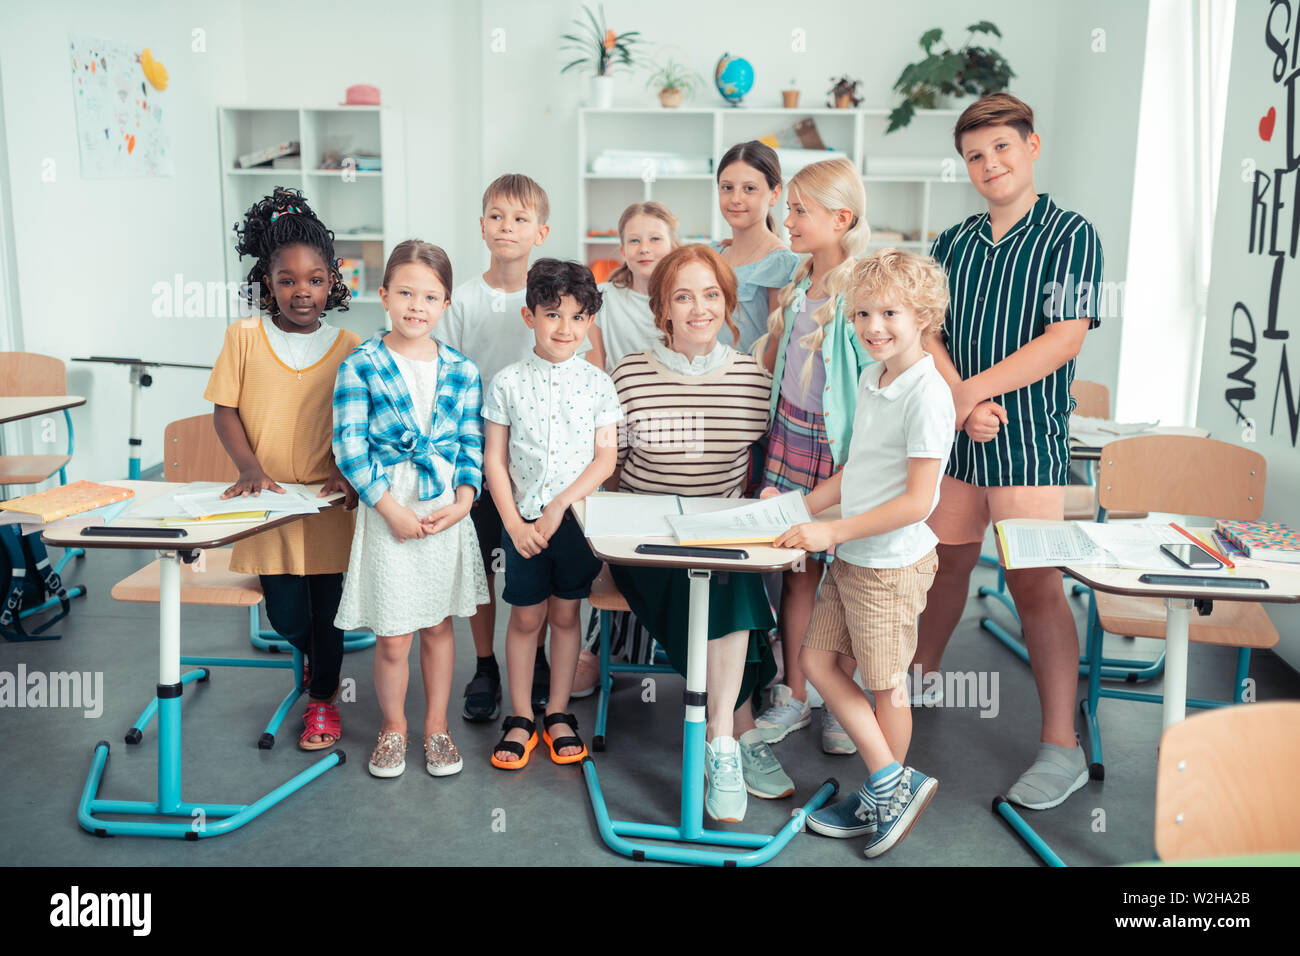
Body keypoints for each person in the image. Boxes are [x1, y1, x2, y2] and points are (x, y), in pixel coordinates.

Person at [913, 93, 1103, 810]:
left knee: (1033, 582)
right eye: (974, 155)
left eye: (1001, 148)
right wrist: (962, 399)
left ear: (1032, 147)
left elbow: (1065, 338)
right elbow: (925, 330)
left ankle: (1063, 747)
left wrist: (975, 394)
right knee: (943, 562)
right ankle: (918, 677)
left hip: (1028, 436)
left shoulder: (1071, 235)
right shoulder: (954, 242)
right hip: (960, 436)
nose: (989, 164)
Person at [777, 249, 954, 859]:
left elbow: (917, 502)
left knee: (887, 689)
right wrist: (804, 507)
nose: (873, 326)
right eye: (861, 315)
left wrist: (833, 532)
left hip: (891, 565)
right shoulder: (871, 378)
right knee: (818, 664)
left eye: (889, 313)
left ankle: (886, 791)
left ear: (923, 314)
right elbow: (859, 470)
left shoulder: (929, 396)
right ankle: (888, 782)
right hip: (854, 555)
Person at [609, 244, 790, 822]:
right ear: (662, 307)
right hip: (644, 543)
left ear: (727, 303)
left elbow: (767, 468)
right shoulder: (629, 375)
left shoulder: (753, 380)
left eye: (711, 294)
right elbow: (607, 470)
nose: (698, 308)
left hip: (721, 536)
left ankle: (719, 742)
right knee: (718, 585)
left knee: (729, 577)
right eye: (682, 296)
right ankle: (736, 731)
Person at [206, 186, 360, 750]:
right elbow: (225, 412)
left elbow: (360, 425)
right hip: (269, 505)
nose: (303, 292)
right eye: (288, 279)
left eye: (315, 279)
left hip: (328, 507)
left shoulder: (350, 346)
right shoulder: (243, 339)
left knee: (331, 614)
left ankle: (322, 700)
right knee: (288, 615)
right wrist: (247, 467)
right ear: (266, 283)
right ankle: (313, 661)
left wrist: (348, 472)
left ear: (332, 282)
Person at [333, 240, 488, 779]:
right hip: (388, 506)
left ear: (445, 304)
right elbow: (349, 446)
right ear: (383, 296)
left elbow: (472, 445)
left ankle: (437, 728)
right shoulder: (361, 365)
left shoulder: (463, 371)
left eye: (430, 296)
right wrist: (388, 509)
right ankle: (393, 727)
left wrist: (465, 501)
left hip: (444, 507)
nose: (416, 306)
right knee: (395, 633)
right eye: (405, 293)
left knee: (440, 625)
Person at [435, 174, 587, 722]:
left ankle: (540, 659)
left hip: (543, 462)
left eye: (520, 219)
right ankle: (485, 664)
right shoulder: (463, 299)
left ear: (540, 231)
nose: (507, 227)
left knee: (536, 564)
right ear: (481, 226)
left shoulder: (551, 300)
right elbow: (444, 374)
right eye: (497, 216)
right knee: (482, 566)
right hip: (479, 454)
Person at [750, 157, 873, 754]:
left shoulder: (863, 289)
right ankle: (795, 693)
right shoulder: (800, 280)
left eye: (800, 210)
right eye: (789, 207)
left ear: (840, 218)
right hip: (789, 440)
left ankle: (837, 698)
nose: (788, 218)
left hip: (840, 451)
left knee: (845, 579)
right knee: (798, 574)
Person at [481, 259, 621, 769]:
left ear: (590, 323)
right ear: (529, 316)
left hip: (576, 526)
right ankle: (520, 716)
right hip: (521, 526)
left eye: (579, 317)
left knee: (566, 615)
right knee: (524, 618)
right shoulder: (507, 382)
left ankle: (558, 712)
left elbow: (605, 458)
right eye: (553, 314)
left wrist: (560, 505)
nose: (566, 328)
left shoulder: (599, 384)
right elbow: (494, 459)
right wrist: (515, 524)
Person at [712, 141, 799, 354]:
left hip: (748, 384)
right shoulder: (713, 254)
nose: (735, 198)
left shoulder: (779, 262)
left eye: (749, 189)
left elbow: (775, 345)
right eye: (727, 188)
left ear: (775, 194)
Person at [586, 201, 681, 372]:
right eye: (634, 240)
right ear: (623, 251)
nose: (644, 248)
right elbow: (595, 369)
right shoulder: (601, 297)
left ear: (673, 248)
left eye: (655, 239)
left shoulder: (686, 299)